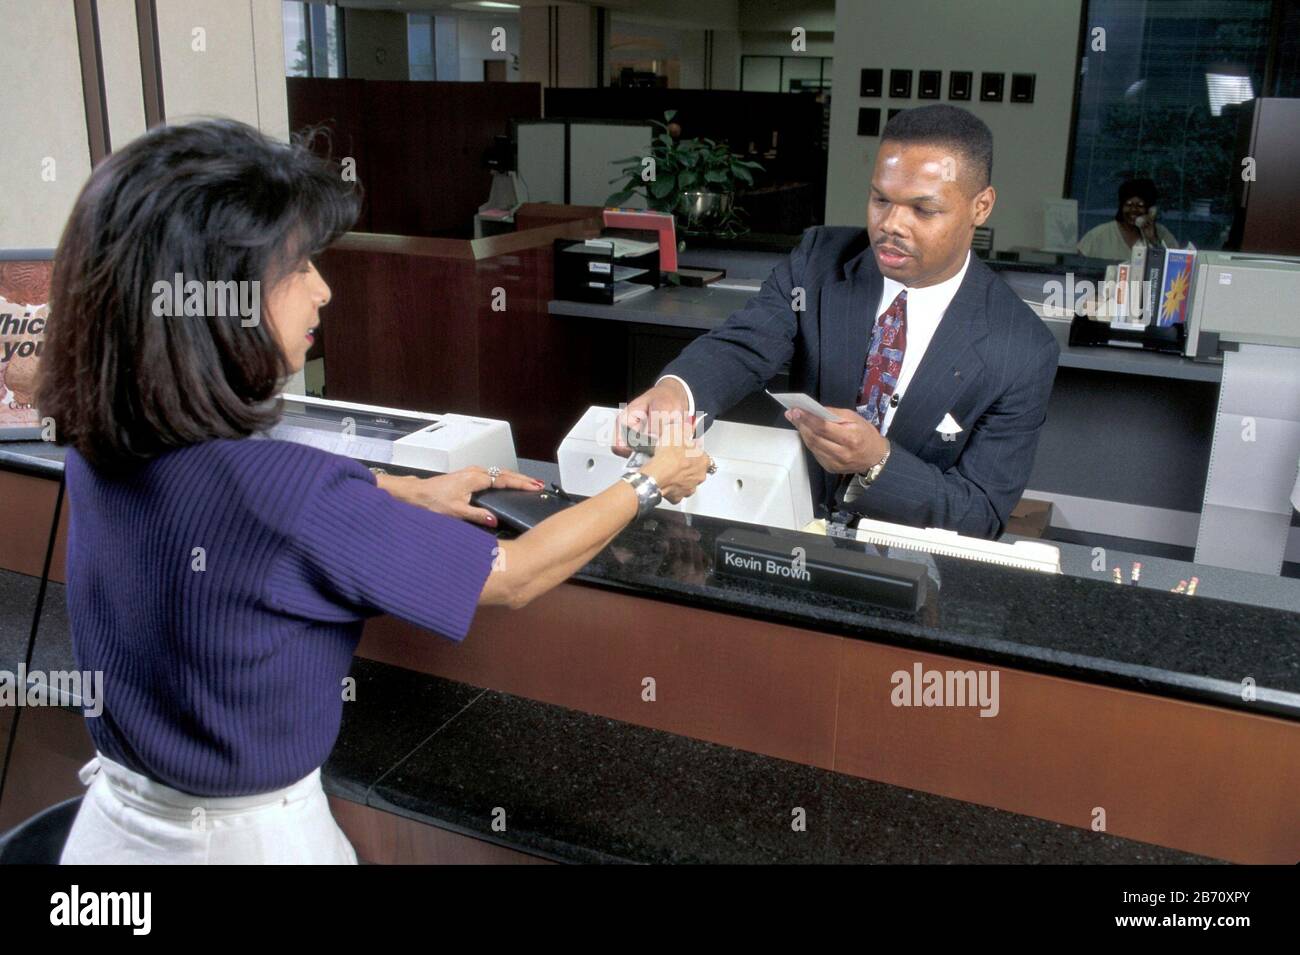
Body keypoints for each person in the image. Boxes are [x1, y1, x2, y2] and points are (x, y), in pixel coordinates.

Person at [37, 118, 711, 864]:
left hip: (111, 836)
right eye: (298, 268)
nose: (324, 290)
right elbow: (518, 576)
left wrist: (404, 492)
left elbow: (245, 509)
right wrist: (651, 480)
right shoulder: (290, 496)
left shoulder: (95, 440)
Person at [619, 105, 1058, 540]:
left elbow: (980, 513)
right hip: (783, 526)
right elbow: (743, 345)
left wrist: (879, 461)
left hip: (909, 566)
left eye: (923, 210)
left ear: (981, 207)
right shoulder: (819, 259)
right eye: (880, 199)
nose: (891, 225)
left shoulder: (1021, 348)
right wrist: (676, 390)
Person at [1077, 177, 1177, 260]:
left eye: (1140, 205)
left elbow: (1174, 267)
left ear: (1150, 209)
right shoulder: (1099, 235)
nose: (1133, 210)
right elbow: (1077, 265)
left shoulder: (1162, 234)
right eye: (1128, 204)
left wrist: (1153, 240)